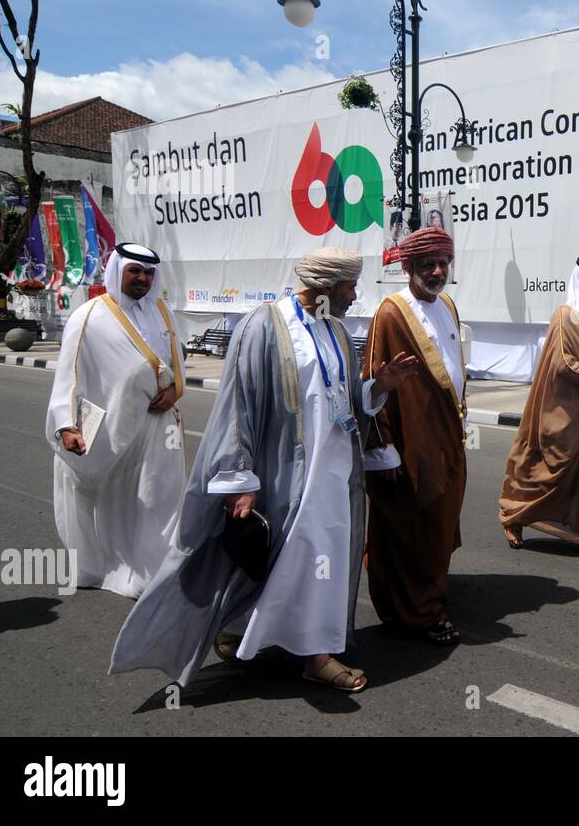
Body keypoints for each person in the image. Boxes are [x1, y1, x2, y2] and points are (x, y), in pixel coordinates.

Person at [110, 248, 416, 692]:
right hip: (284, 478)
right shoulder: (264, 326)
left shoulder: (336, 331)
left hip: (334, 478)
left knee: (317, 565)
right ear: (326, 286)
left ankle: (307, 648)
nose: (354, 294)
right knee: (282, 561)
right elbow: (238, 407)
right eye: (349, 286)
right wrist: (239, 480)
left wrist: (377, 388)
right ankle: (302, 651)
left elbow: (344, 403)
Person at [45, 242, 185, 598]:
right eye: (134, 271)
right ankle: (113, 566)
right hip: (111, 430)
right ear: (117, 271)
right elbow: (69, 375)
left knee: (159, 497)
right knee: (111, 501)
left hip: (159, 426)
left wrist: (175, 391)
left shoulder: (161, 312)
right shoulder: (89, 315)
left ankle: (155, 573)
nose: (142, 278)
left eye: (148, 273)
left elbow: (176, 361)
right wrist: (66, 425)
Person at [362, 226, 468, 645]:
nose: (437, 271)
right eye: (428, 264)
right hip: (409, 438)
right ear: (409, 267)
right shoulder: (391, 313)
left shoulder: (448, 306)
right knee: (412, 521)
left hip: (447, 435)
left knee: (439, 518)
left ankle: (429, 590)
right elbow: (372, 382)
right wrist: (382, 447)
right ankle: (418, 612)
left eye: (443, 263)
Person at [498, 257, 579, 563]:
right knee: (551, 473)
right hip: (571, 411)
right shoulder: (565, 315)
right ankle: (514, 515)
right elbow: (561, 363)